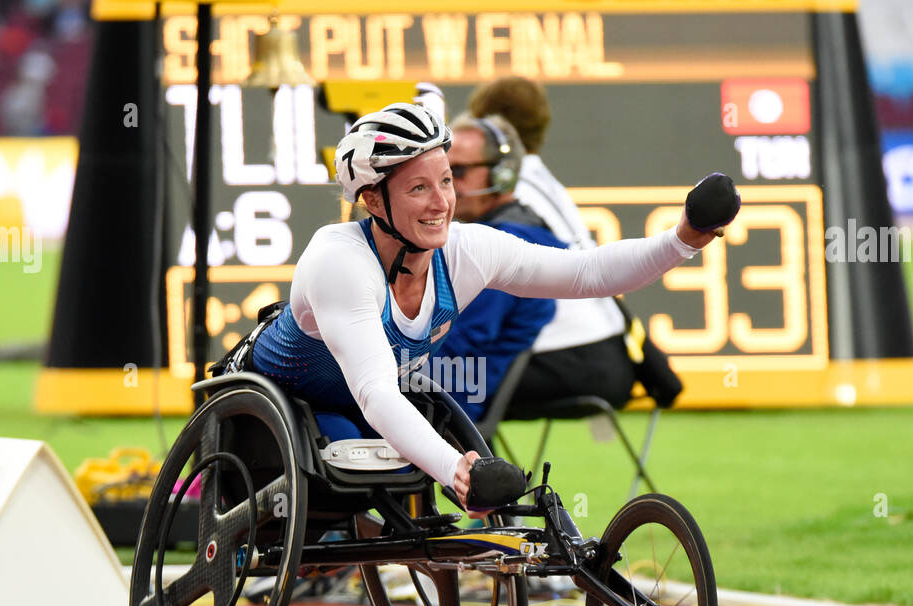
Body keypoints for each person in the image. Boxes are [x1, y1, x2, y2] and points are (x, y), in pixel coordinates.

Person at [242, 102, 737, 506]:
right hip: (283, 404)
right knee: (352, 458)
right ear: (373, 201)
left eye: (447, 181)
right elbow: (376, 393)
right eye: (419, 188)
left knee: (386, 450)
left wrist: (684, 237)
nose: (441, 203)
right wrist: (455, 471)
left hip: (364, 406)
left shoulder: (467, 250)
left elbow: (588, 273)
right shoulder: (338, 259)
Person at [467, 76, 680, 409]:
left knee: (445, 383)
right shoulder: (543, 183)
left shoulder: (505, 192)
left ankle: (463, 461)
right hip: (611, 355)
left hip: (561, 358)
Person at [434, 112, 560, 421]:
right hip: (435, 393)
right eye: (441, 173)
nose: (444, 187)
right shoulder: (512, 236)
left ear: (502, 176)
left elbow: (456, 347)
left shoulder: (507, 245)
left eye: (457, 172)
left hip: (441, 406)